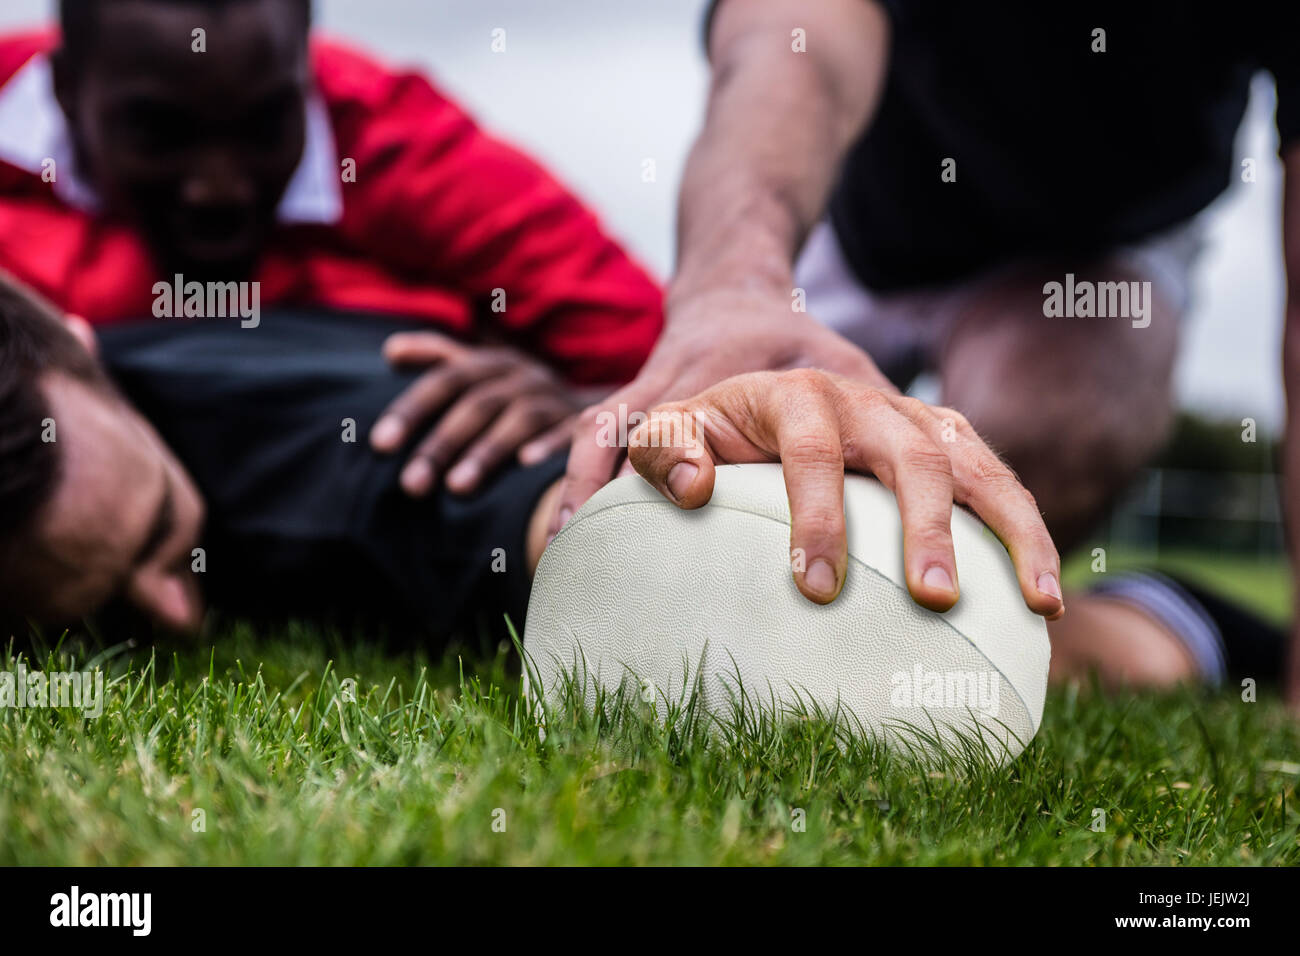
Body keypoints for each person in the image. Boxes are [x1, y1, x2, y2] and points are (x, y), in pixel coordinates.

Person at [550, 1, 1299, 699]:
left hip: (1094, 249)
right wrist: (732, 287)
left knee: (1031, 449)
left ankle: (1123, 625)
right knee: (688, 438)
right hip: (855, 209)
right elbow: (794, 27)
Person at [0, 0, 662, 501]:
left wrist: (582, 405)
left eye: (264, 126)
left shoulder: (405, 147)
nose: (218, 189)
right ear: (61, 88)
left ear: (307, 72)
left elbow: (672, 361)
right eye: (160, 132)